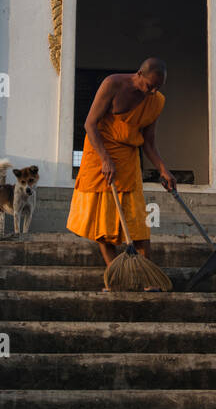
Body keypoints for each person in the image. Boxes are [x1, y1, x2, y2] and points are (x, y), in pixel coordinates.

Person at [66, 58, 175, 287]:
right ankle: (117, 278)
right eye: (150, 85)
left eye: (158, 88)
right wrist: (105, 159)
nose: (152, 91)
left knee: (137, 222)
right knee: (103, 224)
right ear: (139, 74)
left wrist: (163, 170)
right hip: (99, 153)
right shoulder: (112, 84)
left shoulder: (156, 101)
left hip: (127, 158)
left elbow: (149, 143)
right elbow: (89, 124)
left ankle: (147, 280)